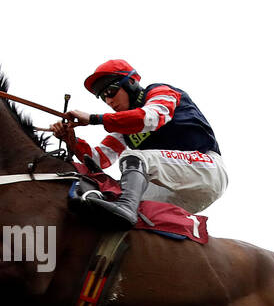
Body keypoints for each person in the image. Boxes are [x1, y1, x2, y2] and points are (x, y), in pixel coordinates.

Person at [50, 59, 227, 228]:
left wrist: (94, 119)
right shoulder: (123, 127)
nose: (109, 101)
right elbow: (99, 158)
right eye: (103, 97)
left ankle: (126, 208)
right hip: (176, 190)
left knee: (133, 157)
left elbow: (149, 118)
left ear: (132, 82)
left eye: (111, 91)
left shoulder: (161, 92)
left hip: (207, 169)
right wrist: (71, 139)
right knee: (114, 196)